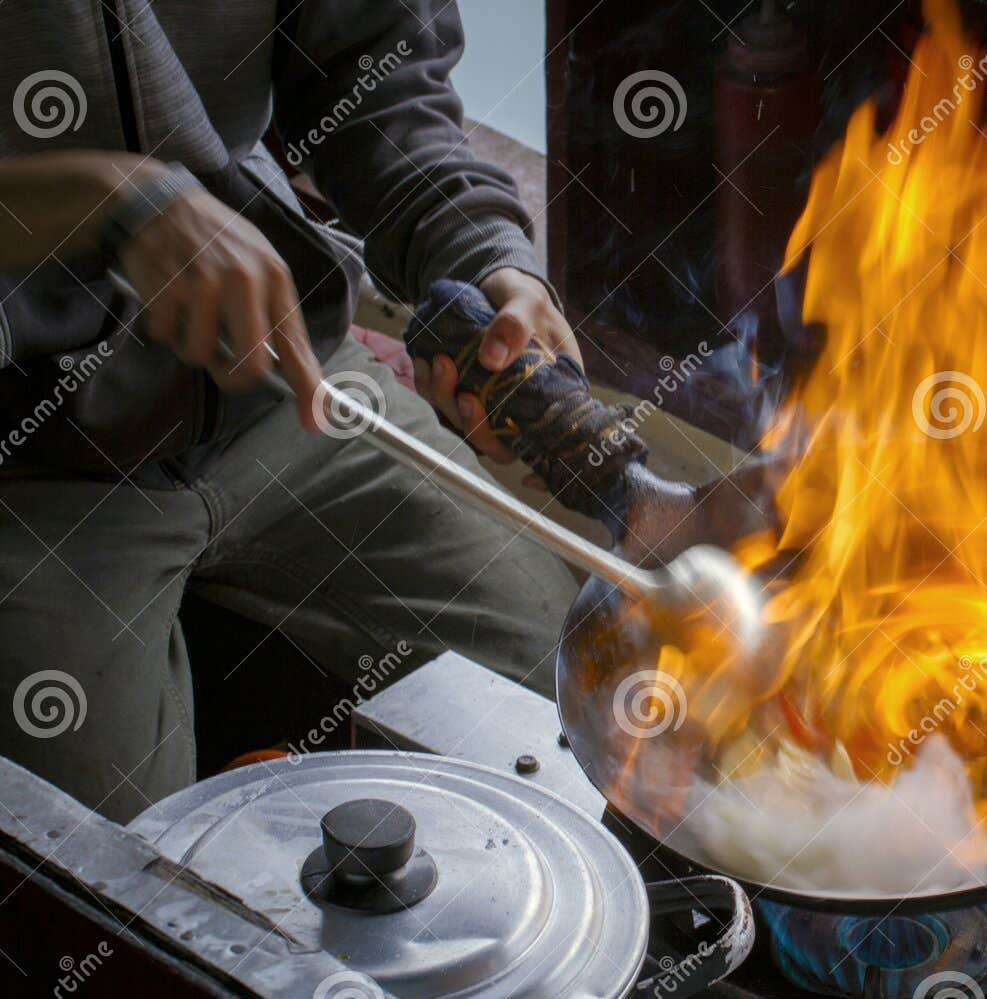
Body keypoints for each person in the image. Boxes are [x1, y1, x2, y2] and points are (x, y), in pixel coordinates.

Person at [0, 3, 594, 822]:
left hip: (291, 383)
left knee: (579, 697)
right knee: (101, 872)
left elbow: (377, 71)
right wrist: (98, 201)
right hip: (32, 465)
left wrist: (486, 253)